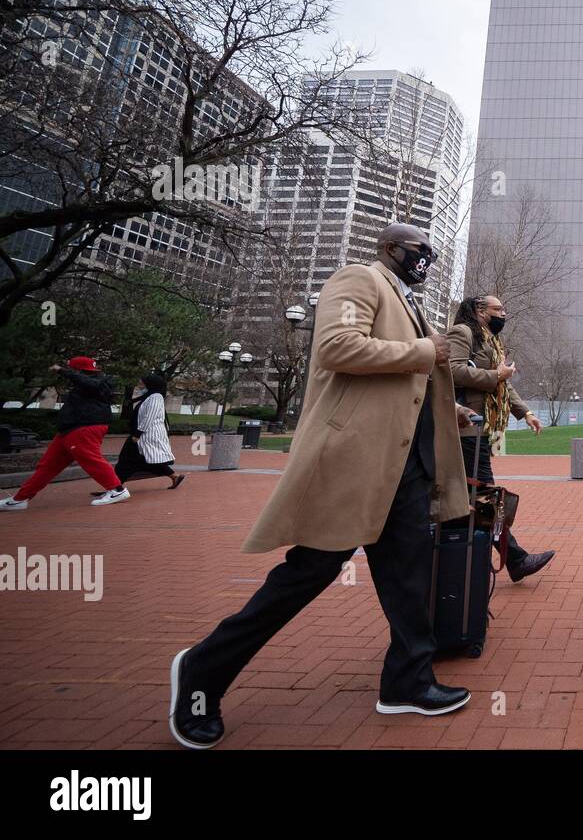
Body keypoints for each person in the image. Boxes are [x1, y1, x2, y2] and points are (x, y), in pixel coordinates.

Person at [167, 224, 476, 750]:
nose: (426, 257)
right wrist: (425, 350)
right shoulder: (358, 279)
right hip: (354, 464)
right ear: (390, 249)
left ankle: (408, 682)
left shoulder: (408, 303)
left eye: (432, 251)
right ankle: (201, 670)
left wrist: (452, 405)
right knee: (309, 573)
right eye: (419, 250)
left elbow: (407, 383)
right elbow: (339, 347)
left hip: (406, 468)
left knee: (407, 578)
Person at [446, 295, 555, 583]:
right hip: (467, 427)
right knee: (486, 496)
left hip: (486, 430)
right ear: (480, 311)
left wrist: (526, 412)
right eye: (498, 309)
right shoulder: (463, 332)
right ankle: (515, 559)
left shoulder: (492, 342)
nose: (503, 314)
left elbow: (502, 384)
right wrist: (496, 373)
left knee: (480, 496)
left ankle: (503, 557)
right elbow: (451, 371)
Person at [1, 356, 129, 510]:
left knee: (91, 460)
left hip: (83, 428)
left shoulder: (95, 383)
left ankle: (117, 489)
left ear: (78, 371)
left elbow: (87, 382)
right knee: (47, 466)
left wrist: (62, 371)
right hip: (70, 430)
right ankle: (20, 499)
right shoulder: (90, 385)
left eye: (72, 370)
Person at [96, 374, 183, 492]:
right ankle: (175, 476)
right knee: (143, 460)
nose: (140, 384)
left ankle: (115, 488)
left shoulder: (155, 397)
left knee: (126, 460)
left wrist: (137, 433)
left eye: (142, 382)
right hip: (142, 435)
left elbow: (149, 417)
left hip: (145, 435)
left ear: (150, 384)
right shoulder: (149, 396)